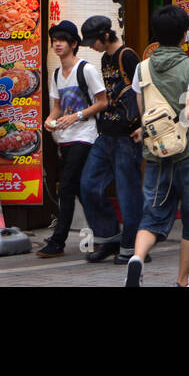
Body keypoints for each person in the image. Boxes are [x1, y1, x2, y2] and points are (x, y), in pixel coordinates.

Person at [124, 6, 189, 287]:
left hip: (155, 154)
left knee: (153, 215)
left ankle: (136, 259)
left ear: (155, 35)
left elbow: (145, 113)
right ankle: (182, 281)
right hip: (188, 154)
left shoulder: (141, 68)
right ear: (184, 34)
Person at [77, 14, 144, 264]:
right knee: (88, 185)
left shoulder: (128, 55)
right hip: (106, 134)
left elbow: (141, 90)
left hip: (128, 136)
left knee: (129, 194)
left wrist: (142, 125)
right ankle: (109, 238)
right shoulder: (105, 58)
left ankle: (132, 245)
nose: (92, 46)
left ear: (106, 35)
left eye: (93, 40)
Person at [38, 20, 107, 258]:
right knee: (80, 189)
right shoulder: (57, 74)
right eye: (54, 40)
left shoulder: (85, 69)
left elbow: (103, 102)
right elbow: (58, 108)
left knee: (66, 188)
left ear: (74, 44)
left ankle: (58, 241)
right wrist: (49, 120)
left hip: (86, 137)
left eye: (62, 40)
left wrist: (77, 116)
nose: (57, 44)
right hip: (65, 138)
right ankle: (104, 235)